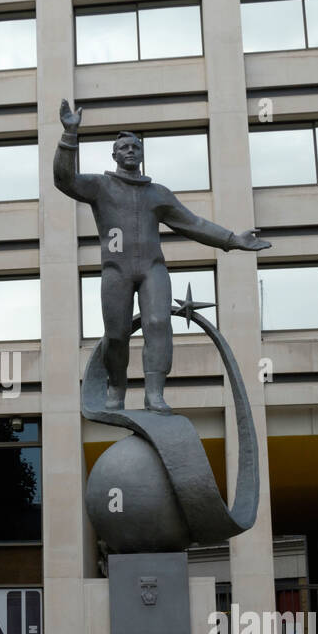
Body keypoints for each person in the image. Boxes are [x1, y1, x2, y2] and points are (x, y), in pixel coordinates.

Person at [54, 99, 270, 414]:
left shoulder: (157, 193)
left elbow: (193, 223)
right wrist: (69, 135)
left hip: (152, 269)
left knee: (158, 323)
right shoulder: (101, 186)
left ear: (142, 155)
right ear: (114, 156)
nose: (130, 151)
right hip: (116, 270)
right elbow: (64, 179)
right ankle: (117, 387)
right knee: (116, 335)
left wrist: (232, 240)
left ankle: (154, 392)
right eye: (124, 148)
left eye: (135, 147)